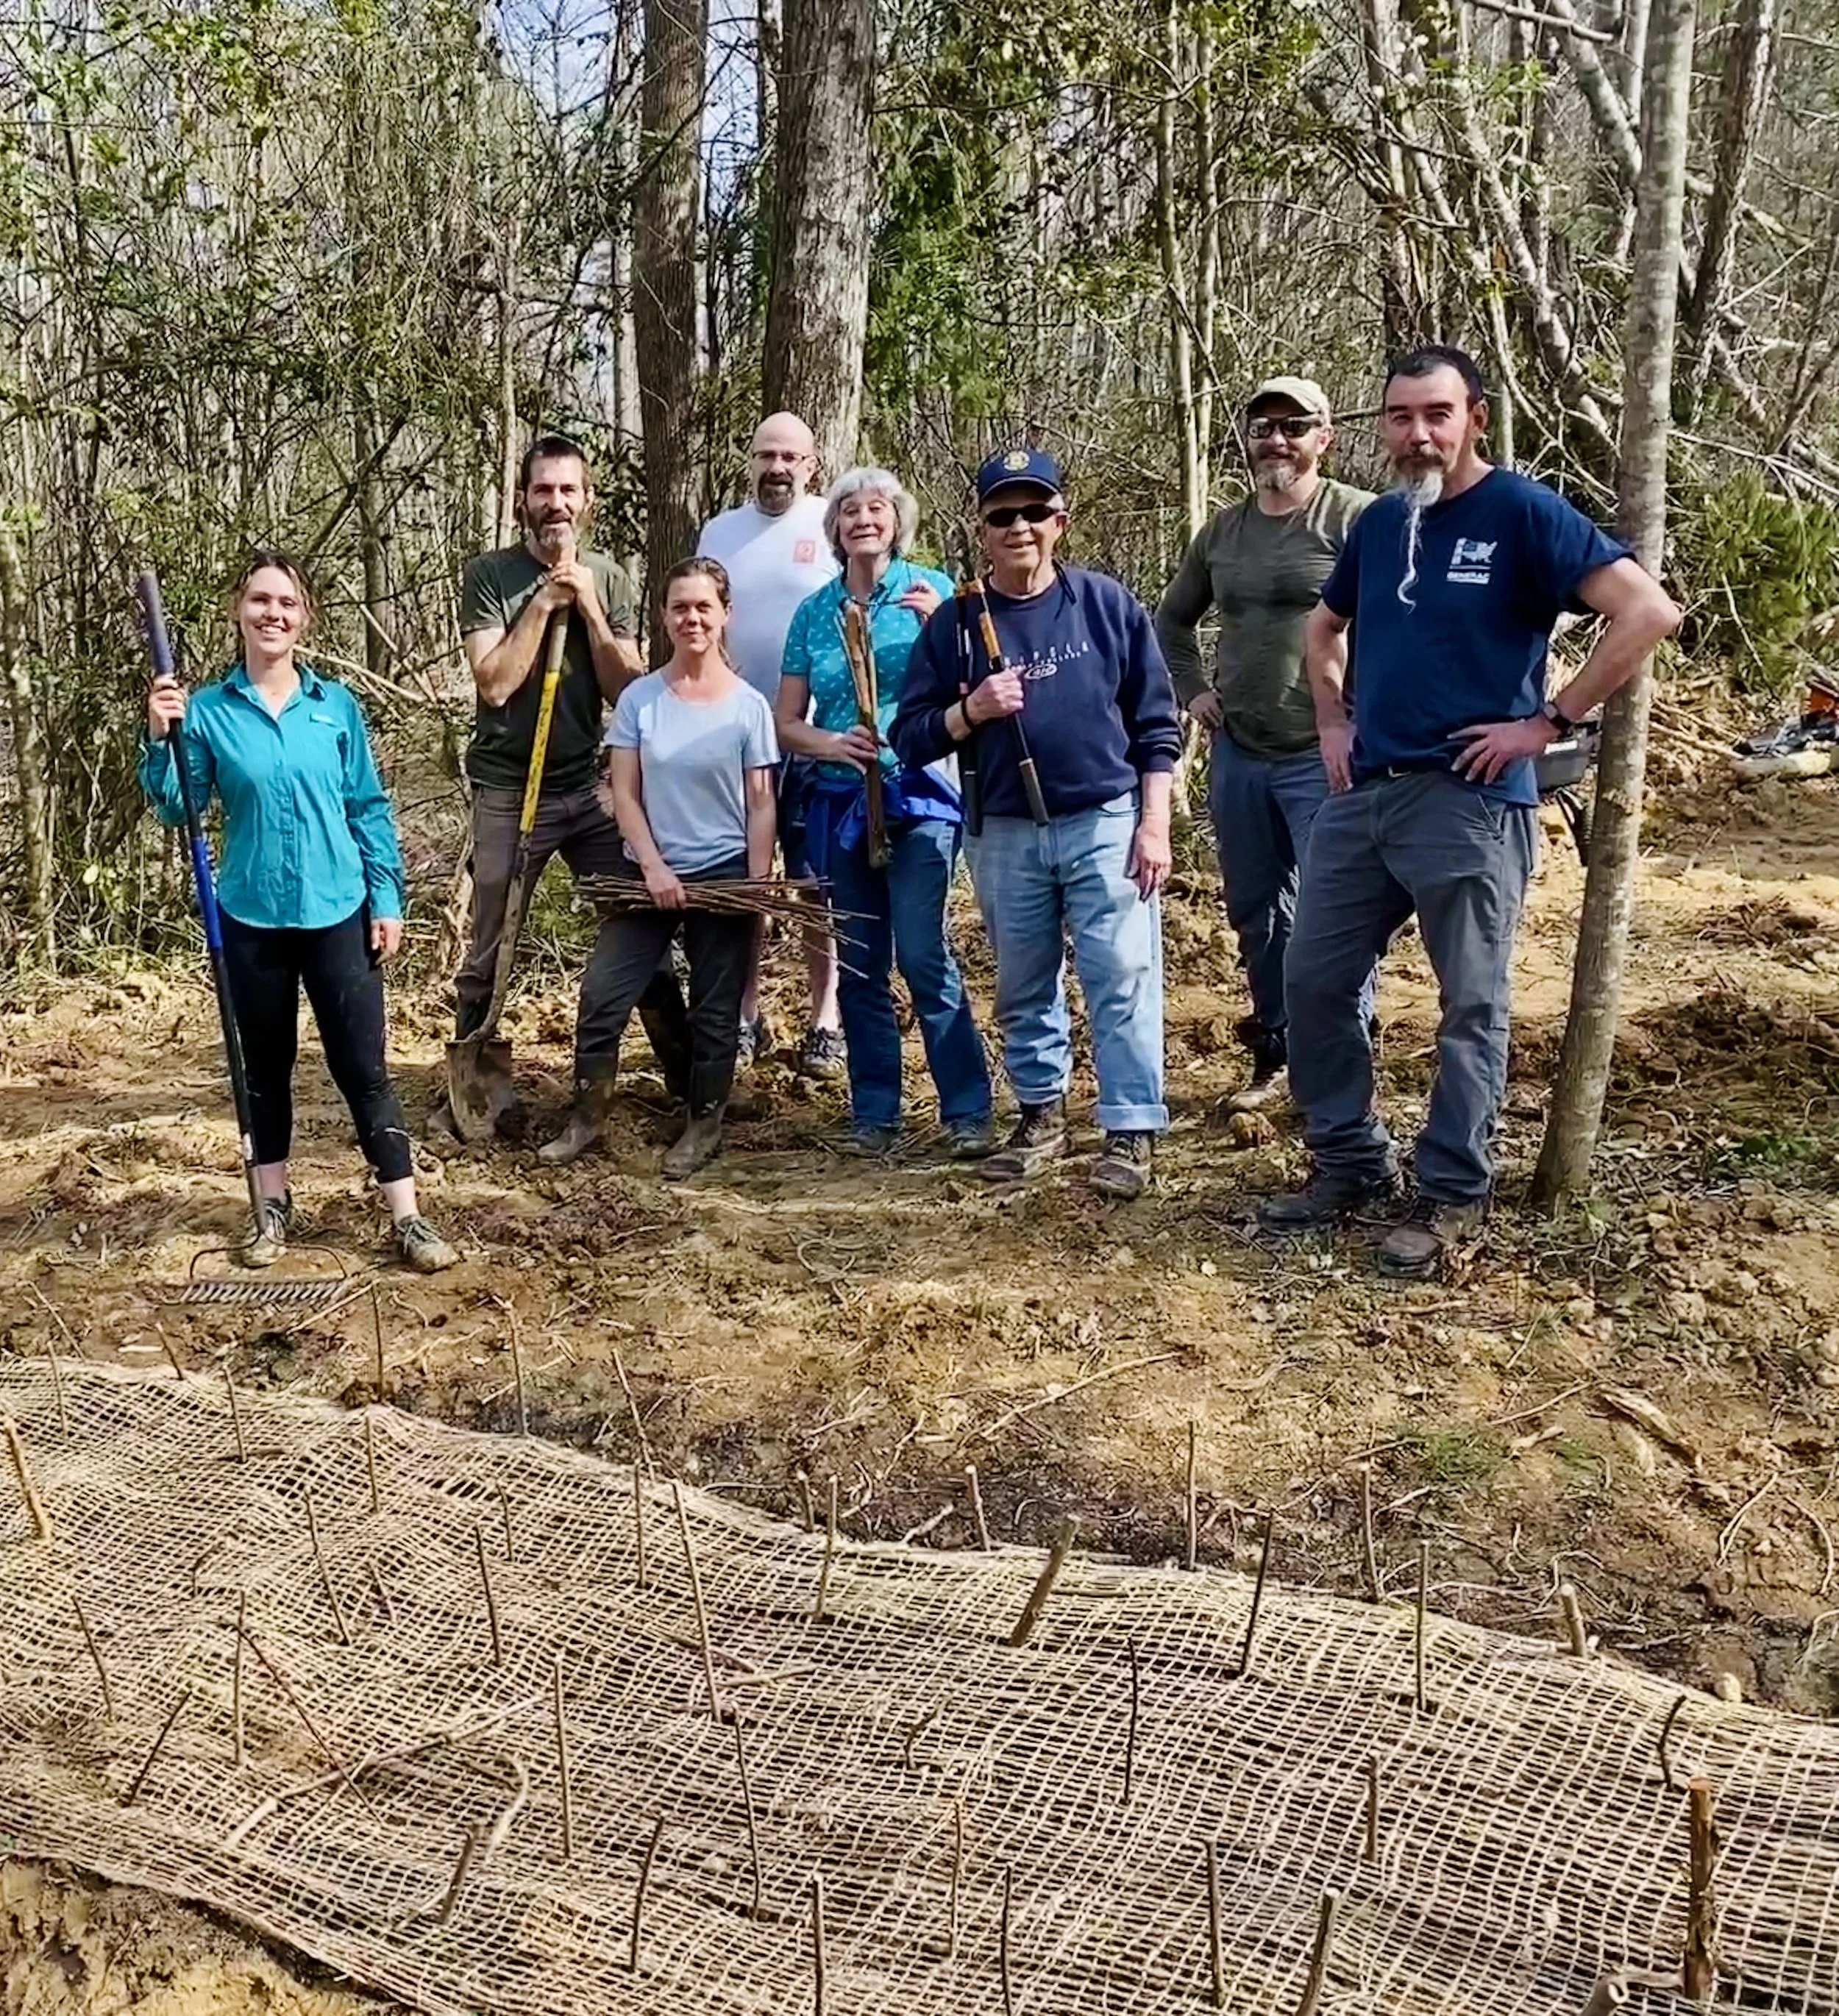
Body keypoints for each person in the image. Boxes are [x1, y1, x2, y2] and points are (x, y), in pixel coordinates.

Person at [1262, 346, 1682, 1274]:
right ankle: (1348, 1162)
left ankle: (1452, 1190)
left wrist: (1550, 720)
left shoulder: (1522, 512)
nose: (1417, 434)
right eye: (1400, 416)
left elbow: (1647, 612)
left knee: (1470, 1005)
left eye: (1436, 414)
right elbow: (1322, 626)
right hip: (1363, 795)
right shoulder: (1381, 524)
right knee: (1313, 980)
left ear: (1474, 419)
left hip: (1469, 800)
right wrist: (1331, 719)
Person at [140, 552, 458, 1272]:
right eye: (260, 600)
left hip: (337, 909)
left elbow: (367, 806)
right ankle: (272, 1207)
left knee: (362, 1067)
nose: (273, 613)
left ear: (305, 617)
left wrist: (387, 897)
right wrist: (158, 736)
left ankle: (407, 1215)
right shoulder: (208, 711)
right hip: (251, 916)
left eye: (286, 602)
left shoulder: (334, 706)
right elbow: (177, 805)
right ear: (239, 610)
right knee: (265, 1068)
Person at [893, 449, 1182, 1199]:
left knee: (1121, 974)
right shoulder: (955, 624)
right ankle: (1040, 1115)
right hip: (1003, 832)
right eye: (1002, 515)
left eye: (1033, 512)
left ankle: (1130, 1128)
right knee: (1023, 984)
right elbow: (911, 736)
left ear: (1060, 521)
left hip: (1106, 821)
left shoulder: (1105, 604)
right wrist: (970, 710)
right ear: (981, 528)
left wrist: (1154, 823)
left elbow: (1157, 724)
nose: (1018, 526)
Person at [448, 433, 689, 1136]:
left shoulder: (610, 578)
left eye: (568, 490)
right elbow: (494, 684)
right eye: (543, 490)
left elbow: (629, 692)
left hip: (588, 789)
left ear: (588, 501)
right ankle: (480, 1086)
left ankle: (688, 1081)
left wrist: (585, 606)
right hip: (507, 789)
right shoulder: (489, 575)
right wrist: (542, 604)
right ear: (522, 501)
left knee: (639, 922)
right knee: (492, 941)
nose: (555, 503)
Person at [1156, 376, 1378, 1112]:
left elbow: (1400, 619)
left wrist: (1360, 714)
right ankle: (1277, 1053)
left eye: (1294, 426)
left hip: (1325, 753)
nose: (1276, 440)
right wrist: (1193, 690)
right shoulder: (1223, 532)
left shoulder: (1357, 518)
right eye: (1263, 428)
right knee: (1258, 912)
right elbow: (1172, 621)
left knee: (1334, 910)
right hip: (1240, 752)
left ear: (1325, 437)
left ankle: (1343, 1064)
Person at [776, 468, 995, 1156]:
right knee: (861, 963)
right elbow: (787, 721)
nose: (863, 519)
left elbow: (978, 692)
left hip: (921, 793)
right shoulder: (814, 612)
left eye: (877, 509)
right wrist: (832, 743)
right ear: (835, 528)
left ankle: (968, 1110)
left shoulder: (935, 591)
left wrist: (942, 629)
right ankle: (875, 1114)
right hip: (841, 800)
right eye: (850, 511)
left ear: (897, 522)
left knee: (924, 952)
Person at [539, 559, 778, 1178]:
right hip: (647, 873)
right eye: (680, 608)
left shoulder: (749, 707)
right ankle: (587, 1117)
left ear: (725, 614)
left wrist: (756, 887)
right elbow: (624, 794)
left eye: (704, 607)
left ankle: (704, 1123)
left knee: (715, 1008)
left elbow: (761, 804)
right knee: (603, 994)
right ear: (664, 616)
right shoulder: (640, 699)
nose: (692, 618)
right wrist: (653, 867)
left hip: (724, 874)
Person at [699, 412, 844, 1078]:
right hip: (737, 737)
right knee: (745, 881)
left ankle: (826, 1019)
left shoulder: (832, 523)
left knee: (816, 885)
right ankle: (745, 1015)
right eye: (766, 455)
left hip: (814, 736)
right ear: (751, 460)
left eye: (790, 456)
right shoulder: (720, 532)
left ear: (811, 465)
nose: (777, 468)